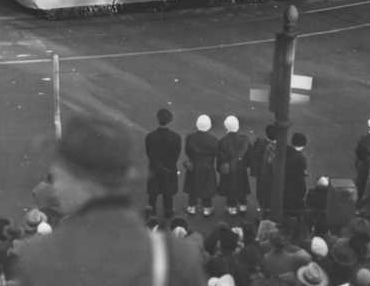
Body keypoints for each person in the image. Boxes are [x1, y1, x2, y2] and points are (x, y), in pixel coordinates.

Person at [11, 112, 205, 286]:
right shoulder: (177, 257)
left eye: (61, 176)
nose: (57, 186)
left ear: (84, 183)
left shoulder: (39, 257)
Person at [145, 108, 182, 220]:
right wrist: (167, 167)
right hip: (169, 169)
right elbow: (176, 155)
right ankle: (168, 212)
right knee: (168, 191)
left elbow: (150, 154)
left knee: (153, 191)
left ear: (158, 120)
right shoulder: (176, 137)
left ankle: (152, 211)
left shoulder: (150, 136)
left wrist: (159, 167)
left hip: (155, 168)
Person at [183, 114, 218, 217]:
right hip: (207, 165)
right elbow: (215, 153)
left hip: (194, 164)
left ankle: (192, 207)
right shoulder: (214, 139)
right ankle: (207, 208)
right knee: (207, 186)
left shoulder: (190, 137)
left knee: (192, 185)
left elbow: (187, 151)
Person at [216, 115, 251, 216]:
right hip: (241, 167)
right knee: (242, 186)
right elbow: (249, 155)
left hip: (229, 168)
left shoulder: (223, 141)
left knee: (229, 187)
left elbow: (220, 158)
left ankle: (232, 207)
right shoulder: (246, 139)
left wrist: (220, 169)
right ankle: (243, 205)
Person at [249, 125, 276, 216]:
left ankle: (264, 211)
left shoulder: (260, 142)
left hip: (261, 175)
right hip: (272, 177)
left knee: (263, 195)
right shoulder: (279, 147)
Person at [283, 132, 308, 218]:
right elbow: (300, 178)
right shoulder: (301, 158)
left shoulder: (286, 150)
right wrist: (303, 190)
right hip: (294, 187)